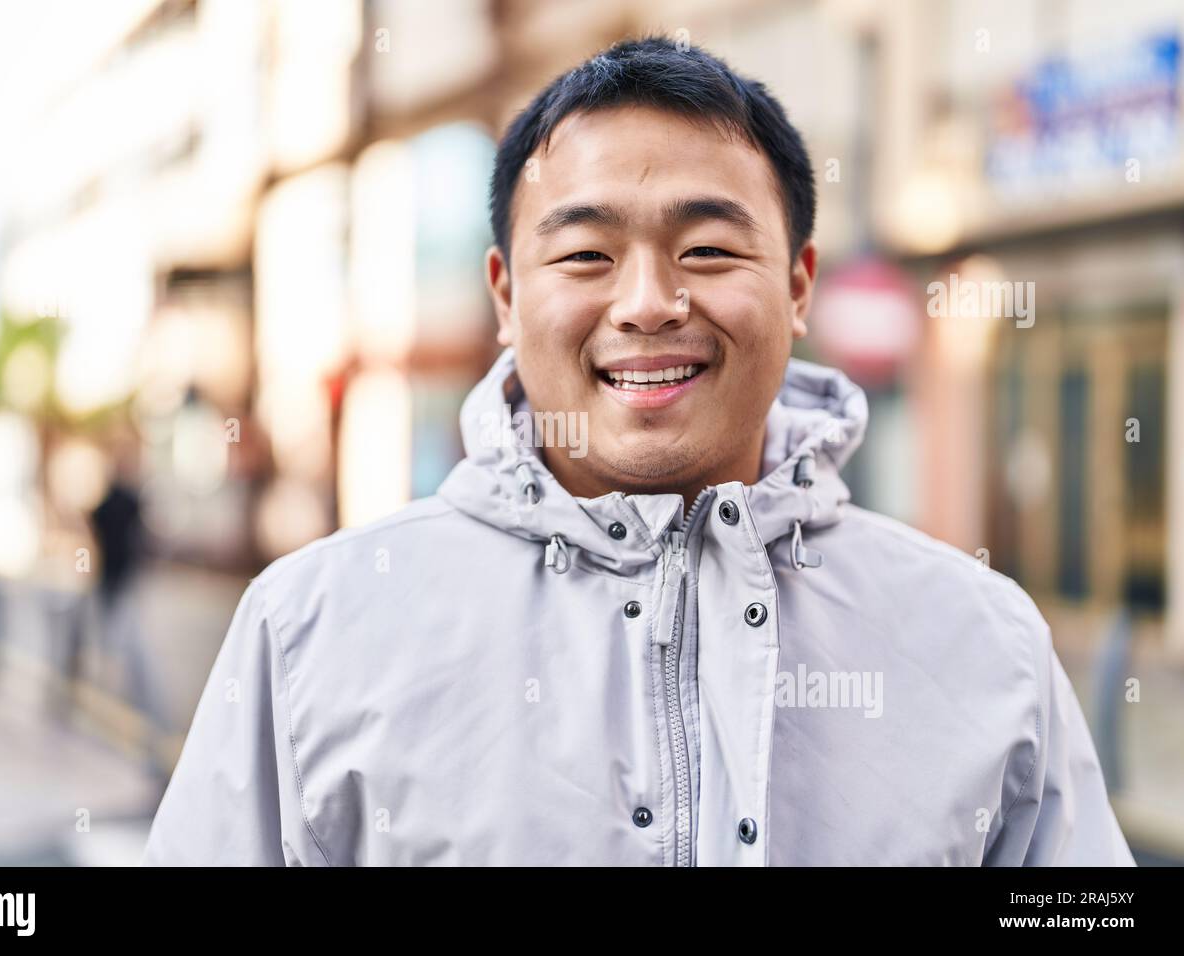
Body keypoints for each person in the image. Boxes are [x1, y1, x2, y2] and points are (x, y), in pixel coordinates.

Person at [142, 37, 1134, 866]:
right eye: (585, 255)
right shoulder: (310, 629)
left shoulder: (982, 640)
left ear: (796, 286)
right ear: (504, 294)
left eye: (707, 249)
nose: (650, 302)